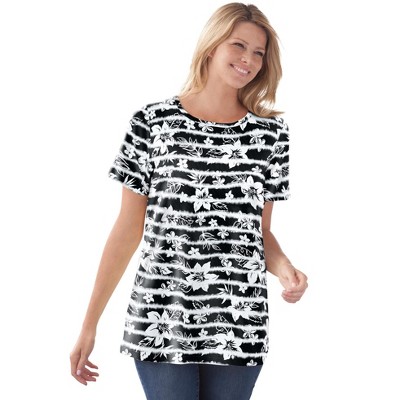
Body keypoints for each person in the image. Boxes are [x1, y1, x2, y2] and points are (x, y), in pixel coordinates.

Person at [70, 2, 308, 399]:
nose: (248, 60)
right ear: (212, 45)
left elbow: (260, 231)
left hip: (239, 319)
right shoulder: (152, 123)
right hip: (162, 316)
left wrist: (284, 268)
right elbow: (127, 229)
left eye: (258, 52)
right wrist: (89, 323)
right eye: (238, 45)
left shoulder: (271, 135)